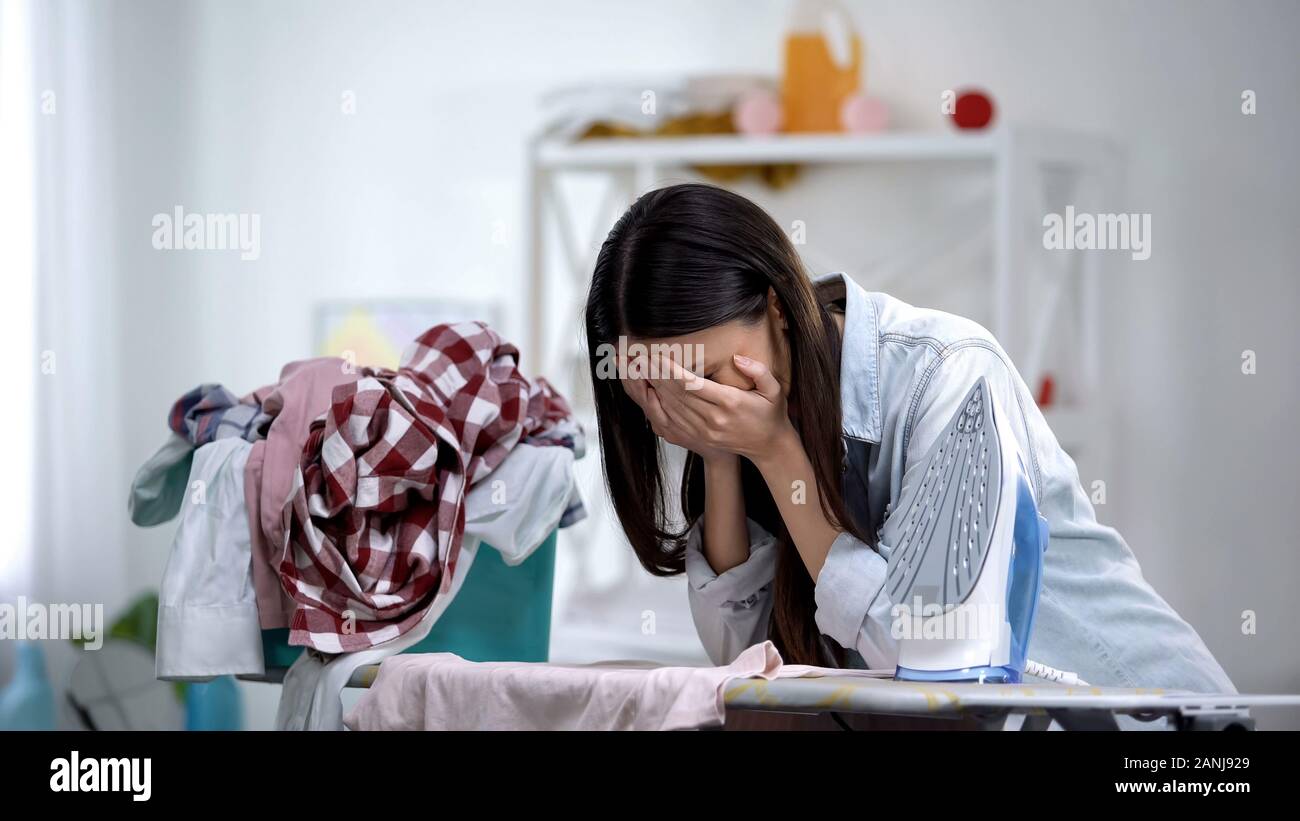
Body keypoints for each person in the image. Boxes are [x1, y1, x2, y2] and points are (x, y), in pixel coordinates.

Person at [584, 182, 1234, 701]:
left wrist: (780, 454)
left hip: (1148, 723)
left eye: (706, 376)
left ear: (776, 309)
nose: (695, 406)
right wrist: (722, 456)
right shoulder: (748, 414)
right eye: (662, 389)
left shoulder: (948, 373)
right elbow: (750, 663)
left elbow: (933, 651)